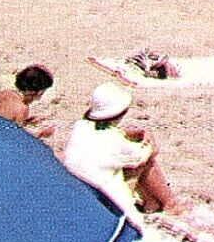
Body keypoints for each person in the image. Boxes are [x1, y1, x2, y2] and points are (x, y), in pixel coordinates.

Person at [63, 83, 179, 229]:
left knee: (130, 161)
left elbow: (107, 138)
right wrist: (148, 136)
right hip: (109, 200)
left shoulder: (80, 127)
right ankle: (170, 204)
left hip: (83, 192)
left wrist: (129, 134)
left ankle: (151, 204)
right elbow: (150, 152)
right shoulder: (114, 142)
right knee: (146, 162)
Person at [0, 65, 56, 140]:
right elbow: (18, 140)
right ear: (37, 92)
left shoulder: (3, 94)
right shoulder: (22, 108)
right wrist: (41, 133)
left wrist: (26, 121)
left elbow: (1, 121)